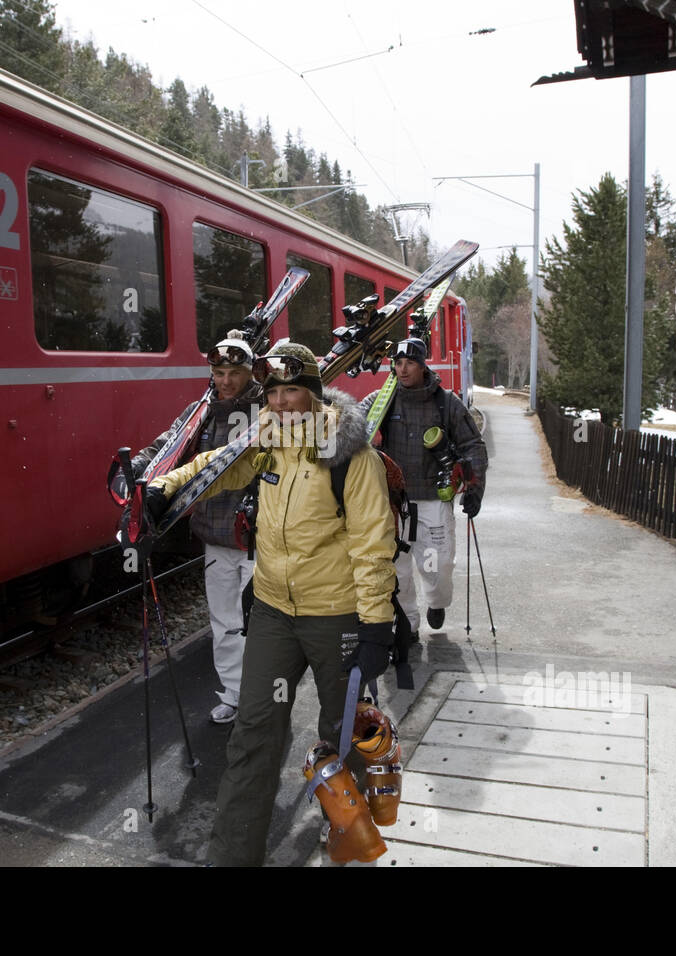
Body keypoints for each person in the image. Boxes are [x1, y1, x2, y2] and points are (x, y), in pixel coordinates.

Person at [146, 342, 397, 866]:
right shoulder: (266, 441)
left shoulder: (351, 455)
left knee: (341, 737)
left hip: (337, 616)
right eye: (274, 393)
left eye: (292, 392)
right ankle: (234, 857)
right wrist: (162, 488)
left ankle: (347, 843)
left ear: (312, 394)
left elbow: (372, 544)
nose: (281, 403)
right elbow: (216, 465)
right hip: (274, 613)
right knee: (253, 735)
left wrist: (376, 626)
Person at [130, 332, 263, 724]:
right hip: (214, 534)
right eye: (218, 372)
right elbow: (167, 445)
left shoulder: (268, 408)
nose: (225, 381)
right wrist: (138, 470)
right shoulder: (200, 410)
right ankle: (234, 695)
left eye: (233, 373)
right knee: (223, 623)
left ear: (248, 371)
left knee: (259, 625)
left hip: (259, 537)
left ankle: (264, 700)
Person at [363, 337, 487, 635]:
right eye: (398, 363)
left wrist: (474, 488)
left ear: (423, 365)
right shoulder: (382, 399)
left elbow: (472, 445)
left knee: (437, 565)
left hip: (433, 498)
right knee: (398, 569)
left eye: (410, 363)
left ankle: (436, 600)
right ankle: (407, 625)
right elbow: (353, 422)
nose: (402, 370)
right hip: (393, 502)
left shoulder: (446, 403)